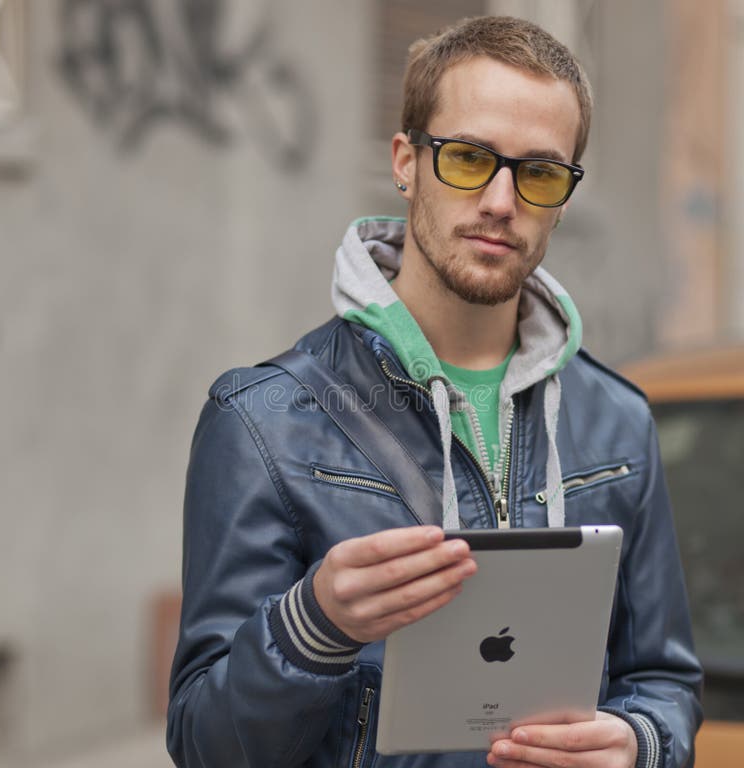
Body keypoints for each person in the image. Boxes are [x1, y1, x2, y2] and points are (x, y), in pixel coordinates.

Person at [167, 15, 703, 768]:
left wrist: (642, 743)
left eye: (539, 173)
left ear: (563, 197)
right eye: (469, 158)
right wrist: (313, 627)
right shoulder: (263, 422)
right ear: (406, 163)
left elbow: (663, 680)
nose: (501, 200)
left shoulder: (618, 420)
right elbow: (206, 744)